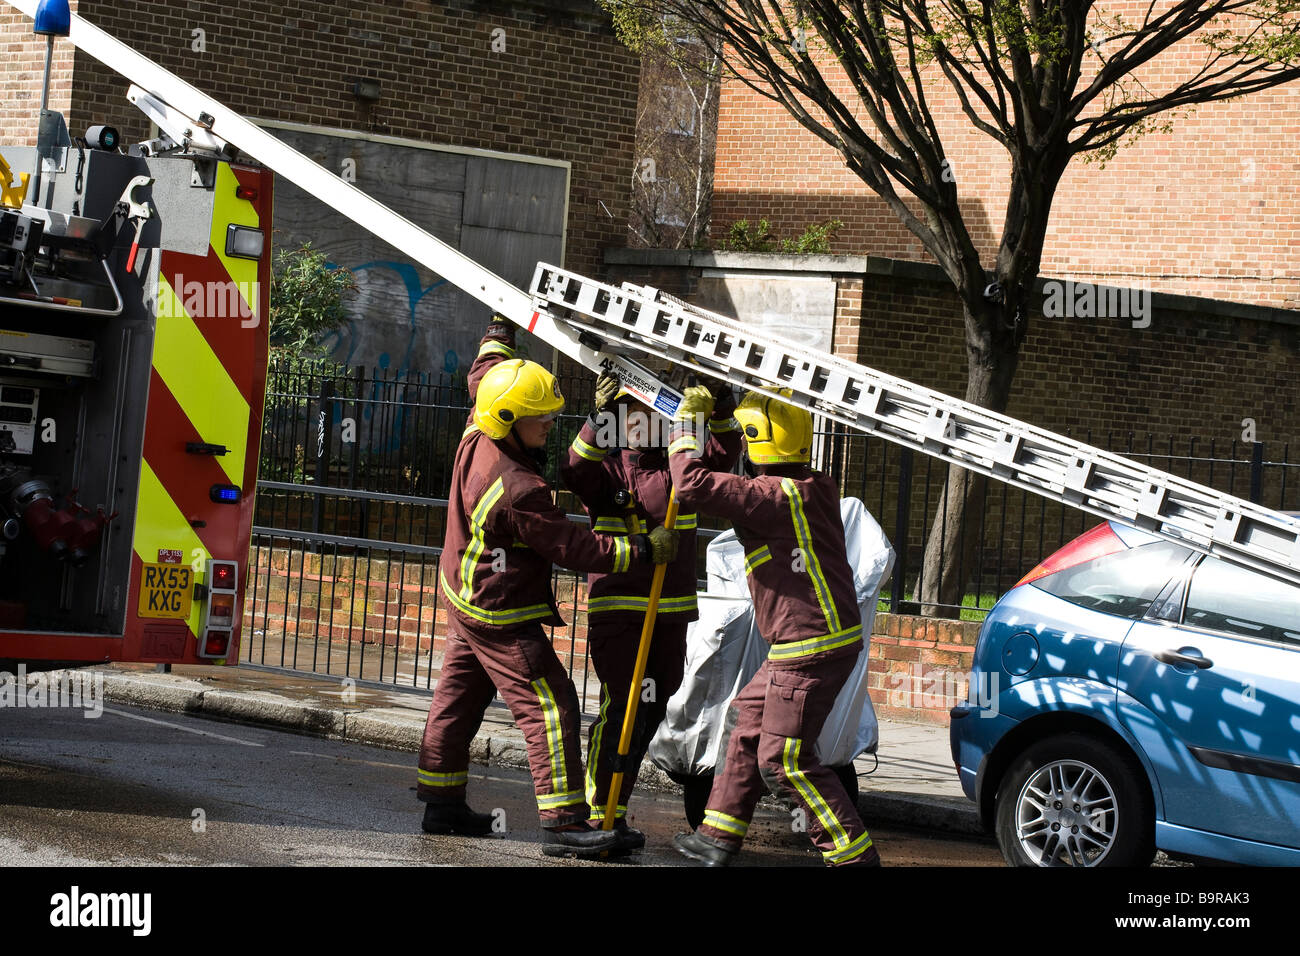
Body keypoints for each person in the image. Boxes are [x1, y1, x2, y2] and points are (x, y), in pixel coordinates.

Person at [416, 318, 678, 860]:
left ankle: (441, 805)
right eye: (541, 419)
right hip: (498, 607)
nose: (550, 426)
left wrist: (498, 331)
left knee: (458, 699)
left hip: (462, 591)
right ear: (510, 419)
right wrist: (644, 549)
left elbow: (486, 372)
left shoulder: (479, 424)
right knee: (551, 706)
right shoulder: (518, 488)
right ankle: (564, 825)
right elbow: (572, 546)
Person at [667, 385, 881, 867]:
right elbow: (728, 480)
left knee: (783, 761)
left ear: (757, 441)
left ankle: (852, 855)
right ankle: (716, 835)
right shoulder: (812, 486)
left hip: (808, 647)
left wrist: (685, 426)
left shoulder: (770, 496)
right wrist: (722, 419)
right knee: (745, 722)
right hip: (813, 642)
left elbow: (692, 486)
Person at [559, 371, 741, 849]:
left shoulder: (679, 459)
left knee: (653, 704)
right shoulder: (610, 466)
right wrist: (597, 420)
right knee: (623, 704)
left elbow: (725, 463)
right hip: (620, 606)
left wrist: (720, 408)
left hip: (670, 607)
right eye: (629, 412)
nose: (642, 419)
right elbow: (573, 469)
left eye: (649, 411)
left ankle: (616, 807)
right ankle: (601, 809)